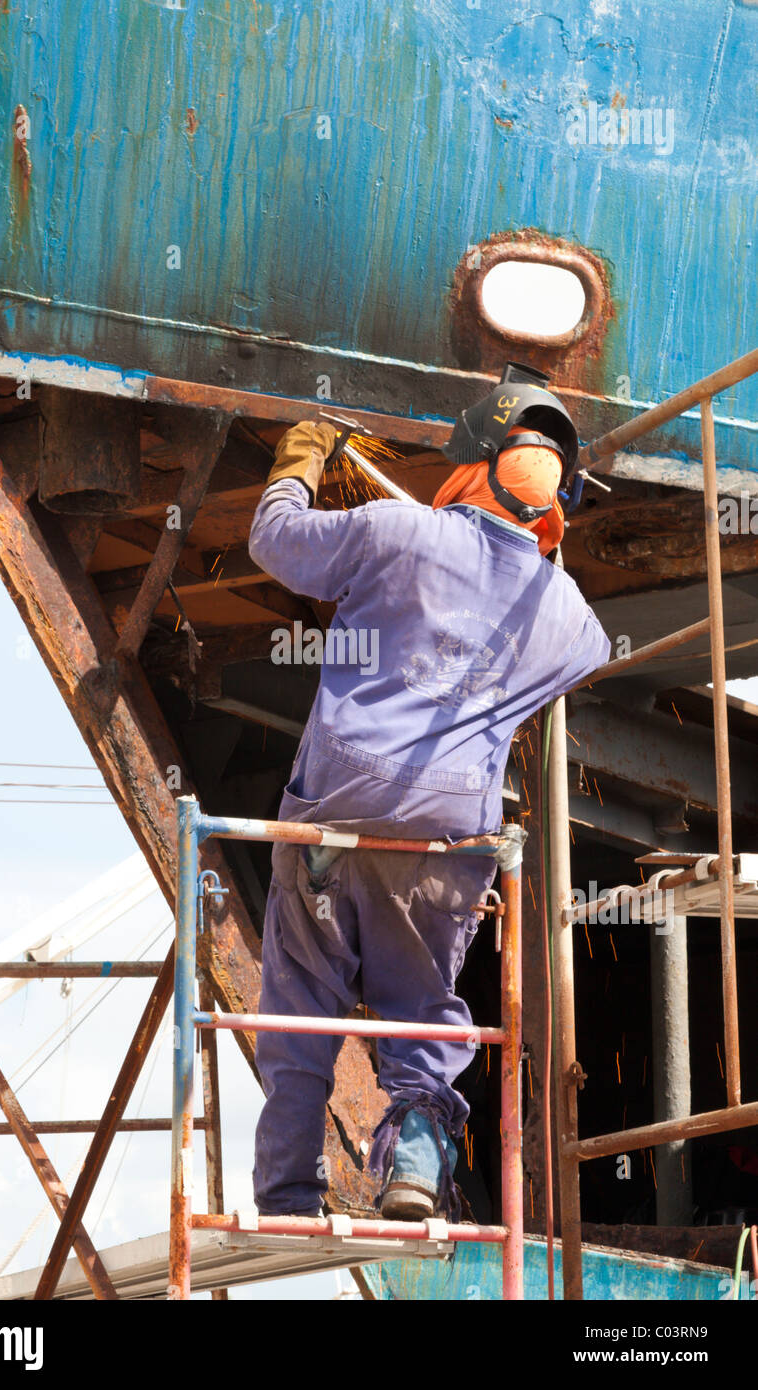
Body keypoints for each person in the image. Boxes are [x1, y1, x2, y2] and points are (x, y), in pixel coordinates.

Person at [246, 365, 610, 1221]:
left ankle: (291, 1192)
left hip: (335, 806)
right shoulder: (569, 615)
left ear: (473, 460)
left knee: (302, 1000)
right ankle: (412, 1169)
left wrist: (299, 460)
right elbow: (585, 649)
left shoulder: (394, 527)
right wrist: (543, 558)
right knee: (421, 1007)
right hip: (451, 835)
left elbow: (275, 541)